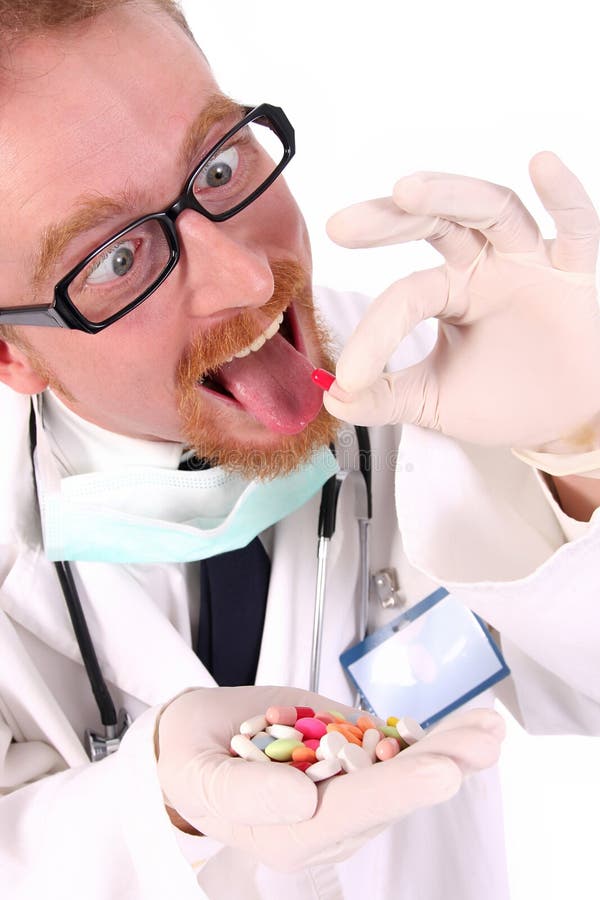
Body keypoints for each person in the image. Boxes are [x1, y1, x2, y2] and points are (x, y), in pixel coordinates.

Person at [0, 1, 598, 898]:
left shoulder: (436, 378)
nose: (247, 277)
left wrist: (580, 452)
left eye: (220, 165)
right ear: (12, 351)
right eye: (116, 259)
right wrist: (161, 807)